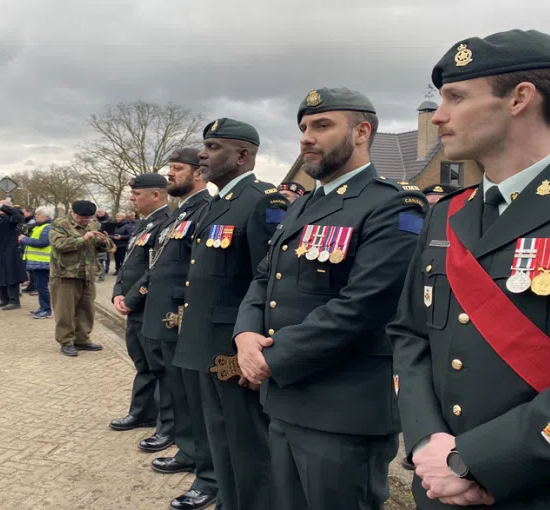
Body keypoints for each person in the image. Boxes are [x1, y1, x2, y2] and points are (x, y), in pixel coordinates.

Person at [388, 29, 550, 509]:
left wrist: (474, 460)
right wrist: (425, 442)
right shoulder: (445, 214)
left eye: (456, 97)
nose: (437, 115)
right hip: (438, 484)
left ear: (520, 99)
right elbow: (409, 336)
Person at [233, 88, 427, 510]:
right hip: (286, 398)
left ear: (361, 132)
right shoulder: (302, 207)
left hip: (343, 409)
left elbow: (366, 306)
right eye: (303, 127)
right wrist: (245, 334)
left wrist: (271, 357)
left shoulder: (394, 205)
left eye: (322, 125)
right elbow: (265, 277)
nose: (306, 137)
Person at [174, 118, 289, 510]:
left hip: (234, 349)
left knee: (247, 444)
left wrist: (258, 352)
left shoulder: (263, 200)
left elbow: (268, 282)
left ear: (242, 155)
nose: (202, 154)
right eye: (203, 146)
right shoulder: (216, 202)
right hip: (206, 342)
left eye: (213, 146)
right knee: (219, 437)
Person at [137, 149, 219, 510]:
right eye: (170, 168)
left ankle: (209, 474)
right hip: (166, 317)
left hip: (183, 316)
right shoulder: (180, 211)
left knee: (199, 402)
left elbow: (197, 268)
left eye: (177, 168)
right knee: (180, 393)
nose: (169, 174)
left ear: (199, 173)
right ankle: (187, 451)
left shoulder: (206, 208)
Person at [109, 174, 174, 450]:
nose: (132, 198)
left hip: (151, 304)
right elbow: (128, 264)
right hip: (134, 305)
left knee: (159, 366)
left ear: (156, 195)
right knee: (142, 362)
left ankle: (166, 423)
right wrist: (117, 293)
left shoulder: (167, 223)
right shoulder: (143, 224)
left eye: (137, 194)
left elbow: (156, 268)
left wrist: (134, 297)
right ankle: (142, 412)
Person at [49, 200, 114, 357]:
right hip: (65, 274)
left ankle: (82, 339)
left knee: (86, 309)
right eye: (82, 217)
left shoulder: (92, 225)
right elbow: (59, 245)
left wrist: (103, 242)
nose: (86, 221)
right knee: (65, 310)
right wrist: (83, 238)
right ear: (73, 213)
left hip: (87, 273)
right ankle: (66, 341)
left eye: (88, 218)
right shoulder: (60, 224)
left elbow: (109, 247)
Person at [0, 200, 27, 310]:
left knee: (11, 275)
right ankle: (4, 299)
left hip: (10, 251)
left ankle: (14, 301)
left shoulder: (14, 217)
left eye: (1, 207)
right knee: (0, 275)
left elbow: (18, 216)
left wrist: (1, 205)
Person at [19, 206, 54, 319]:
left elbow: (42, 243)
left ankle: (46, 310)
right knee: (39, 286)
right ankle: (42, 308)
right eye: (36, 214)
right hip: (37, 262)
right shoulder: (40, 227)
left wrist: (24, 239)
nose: (36, 216)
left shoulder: (47, 227)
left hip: (43, 262)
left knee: (42, 287)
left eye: (39, 214)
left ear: (47, 216)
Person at [20, 206, 37, 294]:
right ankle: (31, 285)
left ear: (29, 212)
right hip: (26, 246)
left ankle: (34, 286)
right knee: (29, 268)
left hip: (31, 246)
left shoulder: (33, 220)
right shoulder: (26, 220)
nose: (22, 215)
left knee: (33, 268)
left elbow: (25, 229)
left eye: (23, 213)